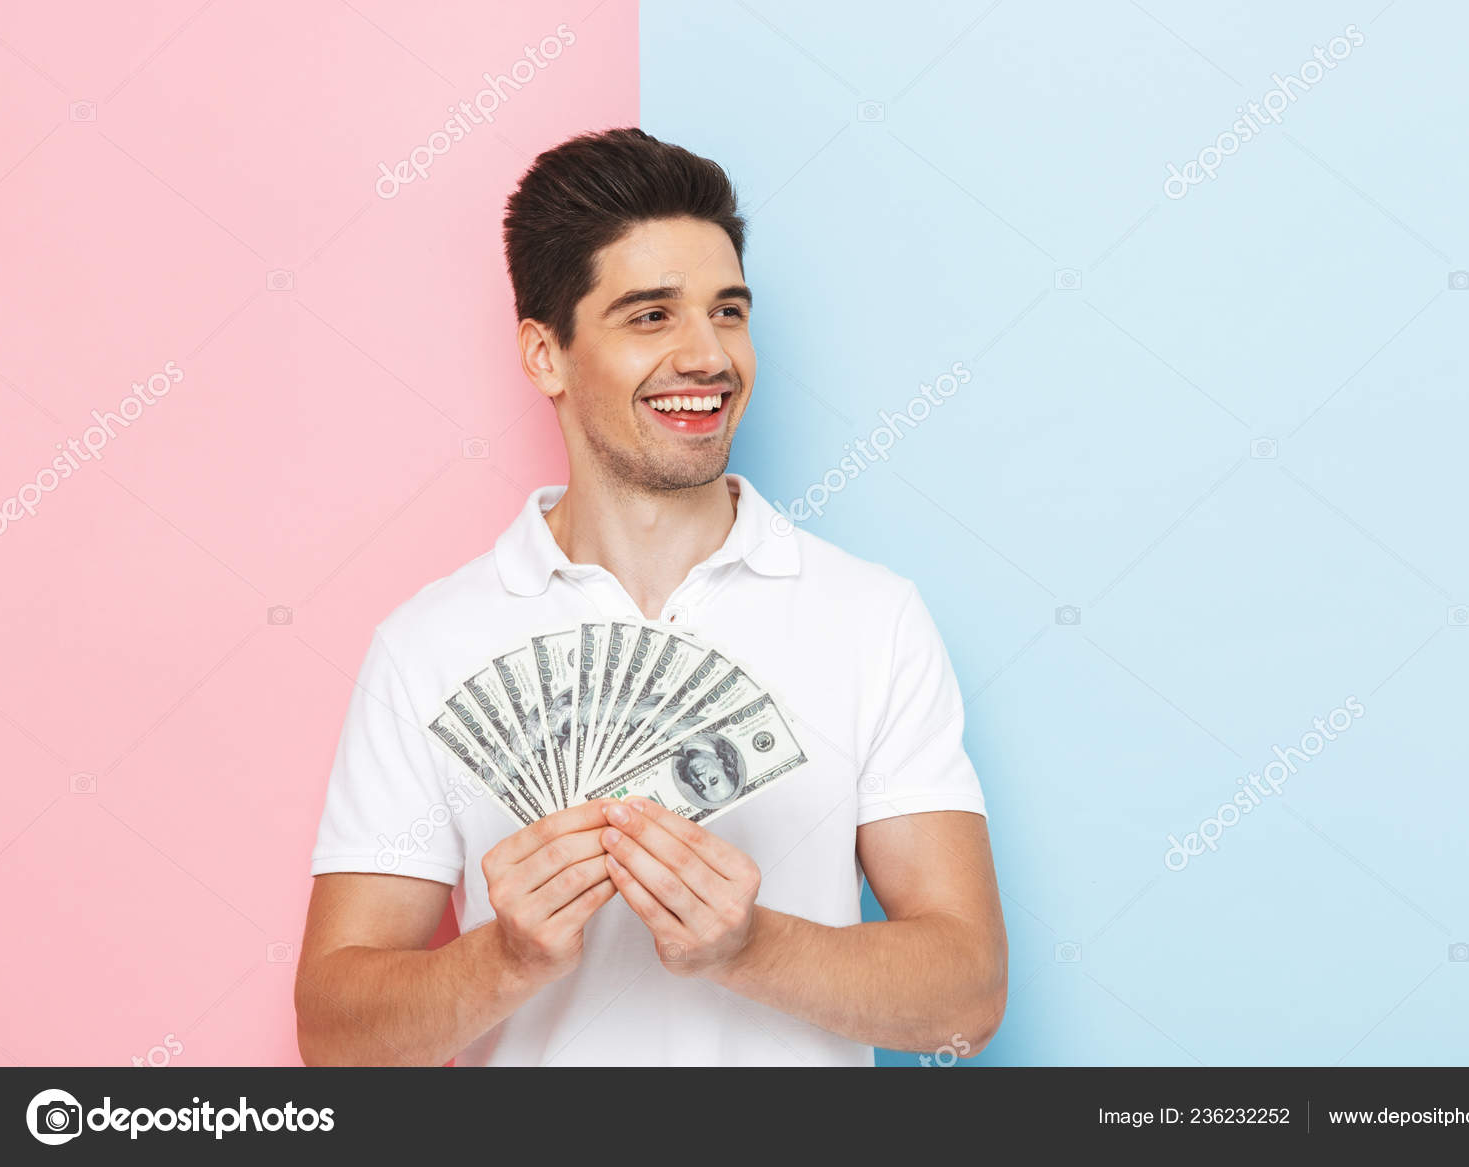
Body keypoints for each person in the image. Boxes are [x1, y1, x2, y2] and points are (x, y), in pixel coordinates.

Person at [296, 127, 1008, 1066]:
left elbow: (968, 998)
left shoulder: (872, 619)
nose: (707, 355)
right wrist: (505, 958)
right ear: (546, 355)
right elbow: (334, 1037)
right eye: (650, 316)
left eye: (728, 311)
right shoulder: (428, 645)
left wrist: (749, 946)